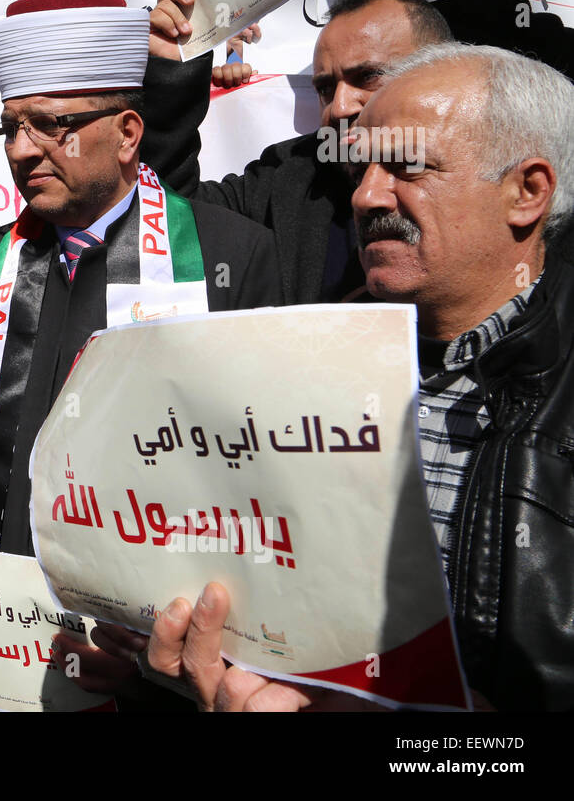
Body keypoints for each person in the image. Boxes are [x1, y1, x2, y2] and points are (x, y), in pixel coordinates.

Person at [0, 0, 283, 711]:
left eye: (53, 125)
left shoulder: (230, 259)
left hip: (160, 668)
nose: (23, 150)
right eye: (11, 127)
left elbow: (258, 479)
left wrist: (167, 643)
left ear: (126, 132)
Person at [142, 44, 574, 712]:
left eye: (406, 165)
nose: (368, 195)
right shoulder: (301, 363)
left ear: (527, 191)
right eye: (361, 168)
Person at [147, 0, 454, 304]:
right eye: (325, 88)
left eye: (367, 77)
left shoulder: (494, 167)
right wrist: (169, 75)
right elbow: (170, 214)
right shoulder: (290, 178)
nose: (339, 108)